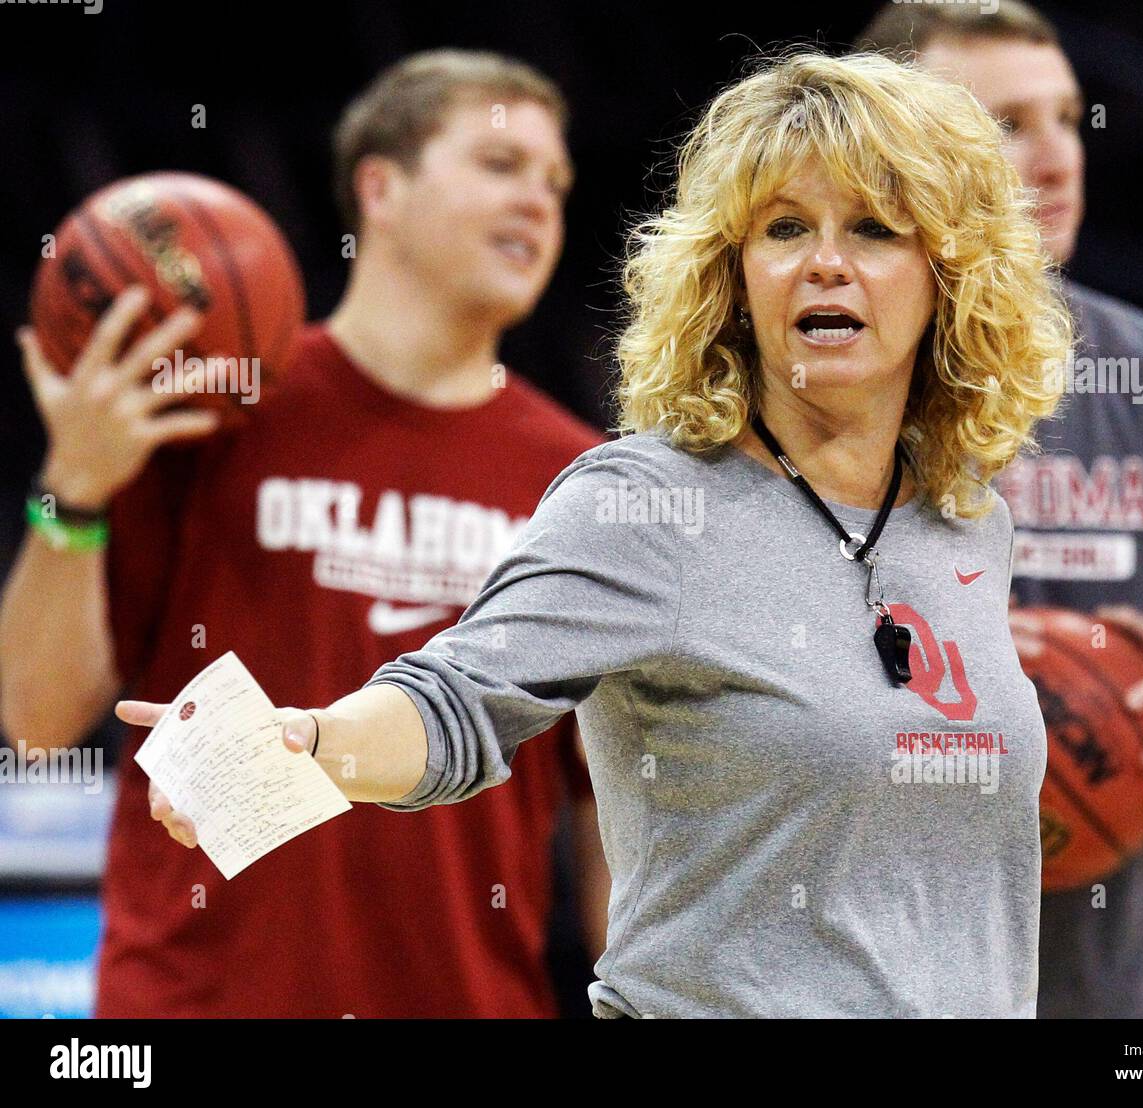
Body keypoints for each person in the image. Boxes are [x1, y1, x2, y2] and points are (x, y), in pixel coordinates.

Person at [127, 49, 1073, 1018]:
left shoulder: (967, 524)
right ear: (731, 276)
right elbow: (459, 696)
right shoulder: (646, 502)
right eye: (784, 227)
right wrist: (312, 740)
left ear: (949, 273)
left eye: (873, 227)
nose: (824, 260)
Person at [0, 49, 610, 1017]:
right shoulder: (216, 404)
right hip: (192, 1005)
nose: (539, 199)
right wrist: (68, 491)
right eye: (500, 166)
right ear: (382, 185)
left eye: (555, 180)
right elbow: (31, 721)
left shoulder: (586, 480)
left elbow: (611, 814)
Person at [856, 1, 1143, 1017]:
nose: (1057, 156)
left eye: (1068, 116)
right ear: (888, 155)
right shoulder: (808, 378)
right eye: (1008, 125)